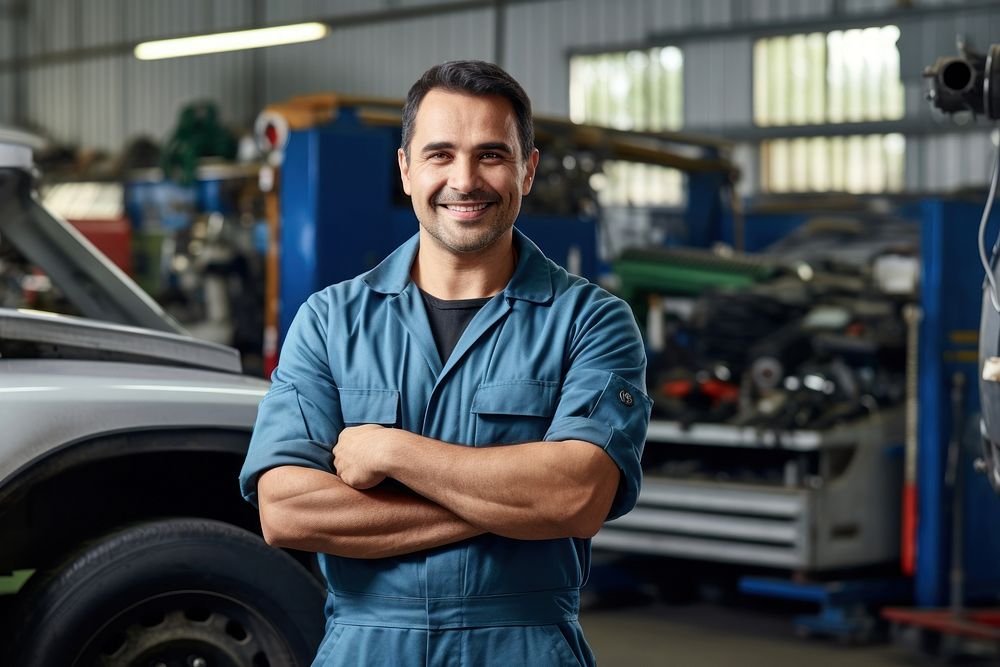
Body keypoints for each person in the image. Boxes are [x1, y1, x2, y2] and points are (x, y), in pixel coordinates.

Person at [239, 60, 651, 666]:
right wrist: (512, 505)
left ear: (527, 170)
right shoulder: (330, 321)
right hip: (366, 646)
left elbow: (576, 498)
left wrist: (391, 451)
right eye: (439, 155)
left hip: (523, 645)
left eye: (491, 154)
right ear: (405, 169)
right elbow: (287, 510)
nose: (465, 179)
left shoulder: (592, 321)